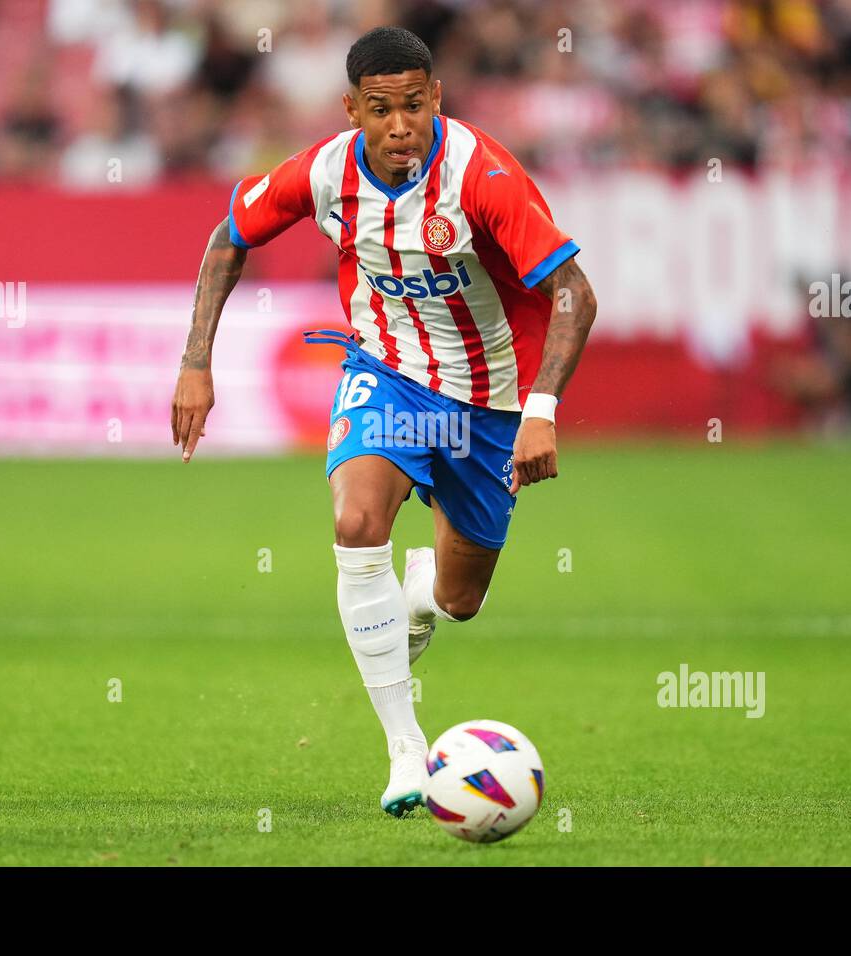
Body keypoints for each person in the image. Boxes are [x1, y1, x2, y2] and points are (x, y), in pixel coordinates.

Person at [170, 26, 597, 816]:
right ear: (351, 109)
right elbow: (229, 235)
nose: (399, 126)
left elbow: (575, 292)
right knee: (358, 519)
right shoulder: (325, 172)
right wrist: (197, 362)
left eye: (413, 105)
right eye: (379, 109)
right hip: (388, 375)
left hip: (492, 401)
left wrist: (542, 410)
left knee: (461, 599)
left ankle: (426, 587)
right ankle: (406, 750)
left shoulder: (485, 177)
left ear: (436, 96)